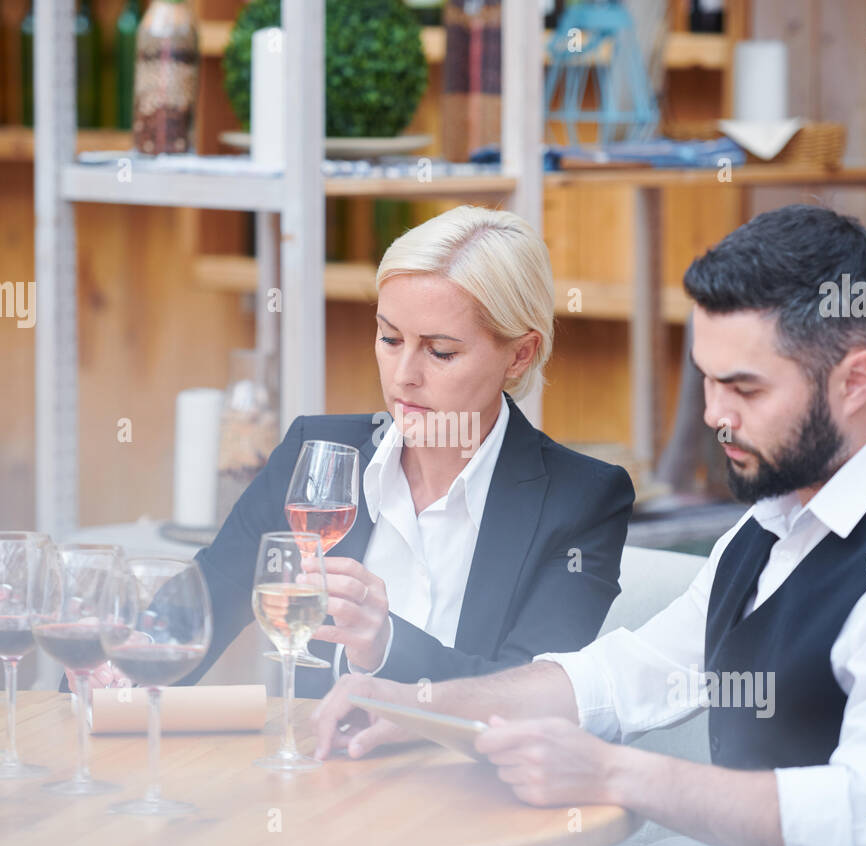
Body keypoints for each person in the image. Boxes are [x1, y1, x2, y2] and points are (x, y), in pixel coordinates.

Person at [311, 204, 866, 846]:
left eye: (745, 387)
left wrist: (612, 775)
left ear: (855, 380)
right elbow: (623, 676)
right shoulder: (773, 525)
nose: (714, 415)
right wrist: (428, 703)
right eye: (706, 379)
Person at [155, 204, 636, 697]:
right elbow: (192, 617)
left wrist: (387, 646)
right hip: (310, 770)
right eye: (389, 338)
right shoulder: (316, 453)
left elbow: (533, 701)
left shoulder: (582, 500)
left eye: (440, 351)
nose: (404, 374)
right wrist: (110, 668)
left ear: (520, 354)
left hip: (464, 775)